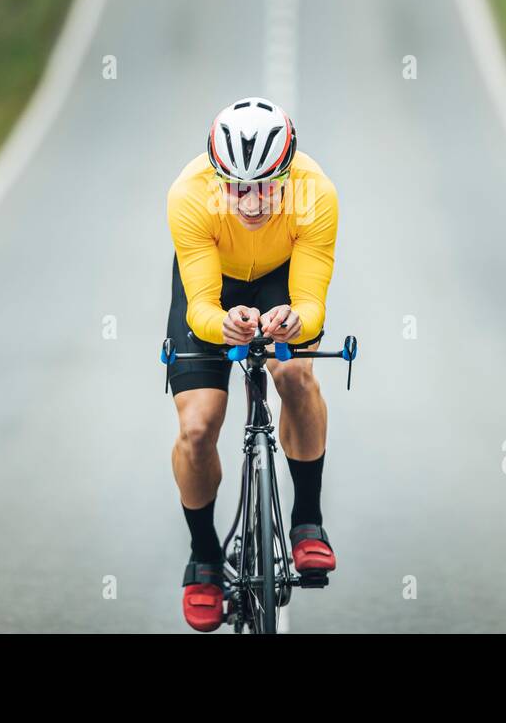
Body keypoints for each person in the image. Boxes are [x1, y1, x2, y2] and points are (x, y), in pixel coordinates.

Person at [165, 97, 339, 631]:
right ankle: (204, 558)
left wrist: (293, 320)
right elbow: (199, 306)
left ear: (288, 174)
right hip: (214, 287)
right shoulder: (188, 195)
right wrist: (225, 325)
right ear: (218, 177)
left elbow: (311, 305)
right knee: (198, 428)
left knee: (294, 375)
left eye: (265, 185)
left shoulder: (318, 195)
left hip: (280, 280)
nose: (253, 200)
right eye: (238, 187)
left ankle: (307, 521)